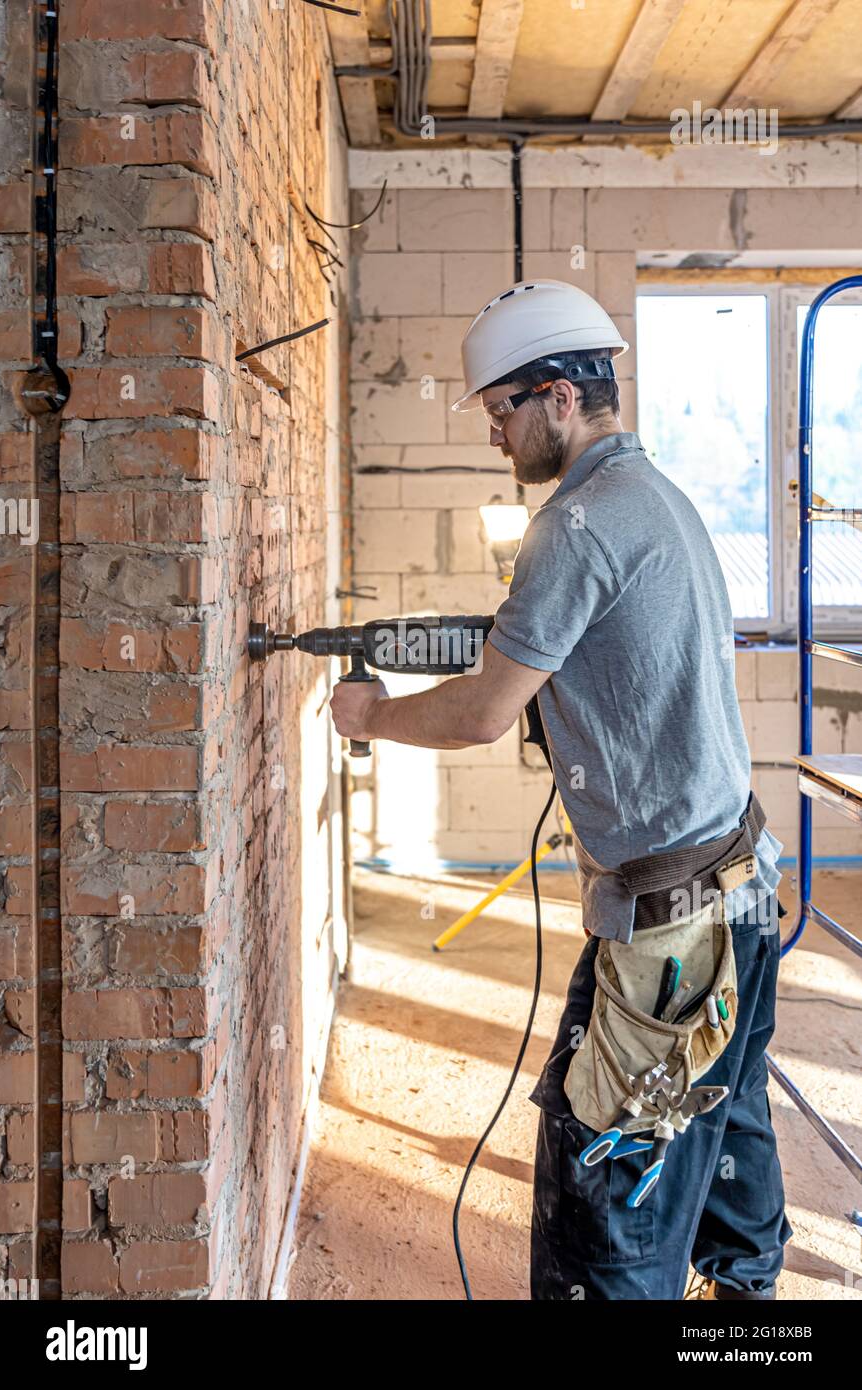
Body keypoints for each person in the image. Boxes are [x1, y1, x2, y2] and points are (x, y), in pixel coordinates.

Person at [331, 279, 791, 1300]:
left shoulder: (576, 525)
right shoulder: (656, 496)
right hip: (743, 891)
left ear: (553, 395)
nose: (494, 436)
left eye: (498, 411)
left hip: (671, 929)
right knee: (723, 1127)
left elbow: (485, 710)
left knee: (606, 1183)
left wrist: (373, 718)